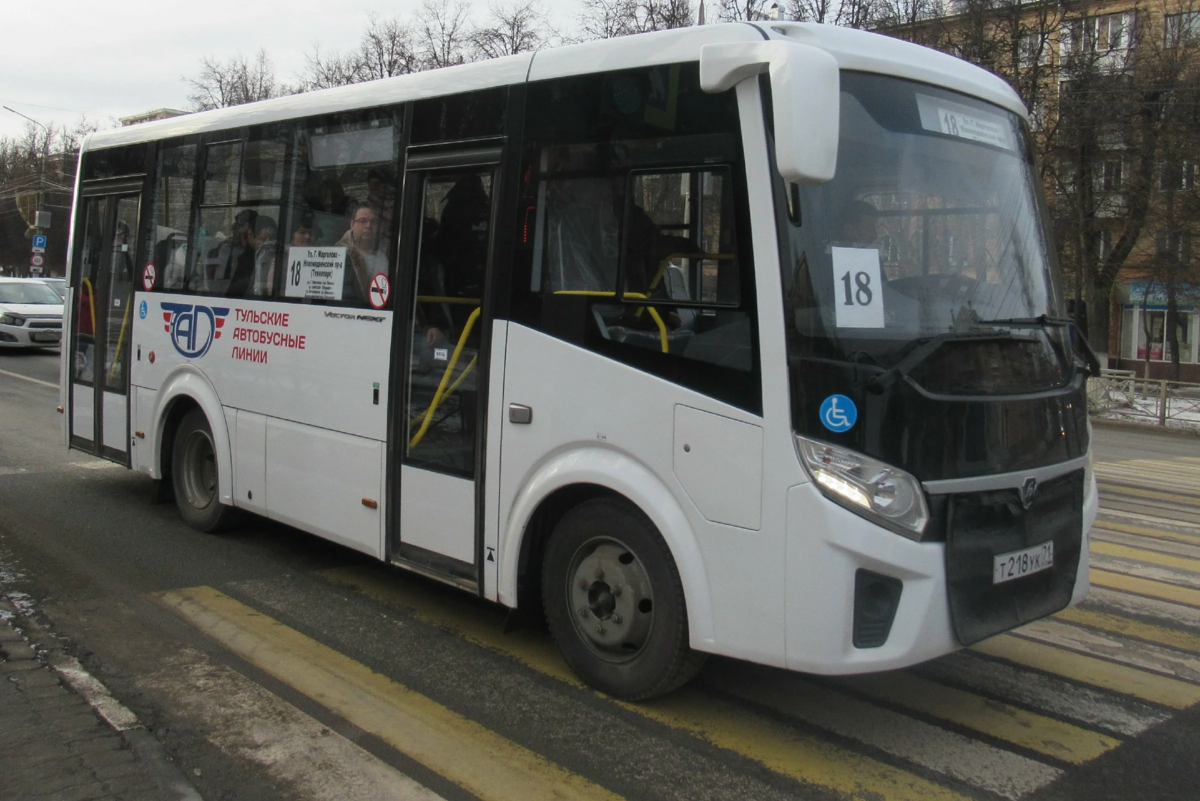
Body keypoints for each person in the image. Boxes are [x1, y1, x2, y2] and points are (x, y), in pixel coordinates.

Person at [336, 203, 388, 303]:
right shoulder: (340, 255)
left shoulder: (388, 255)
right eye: (362, 221)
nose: (368, 226)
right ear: (352, 225)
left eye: (373, 222)